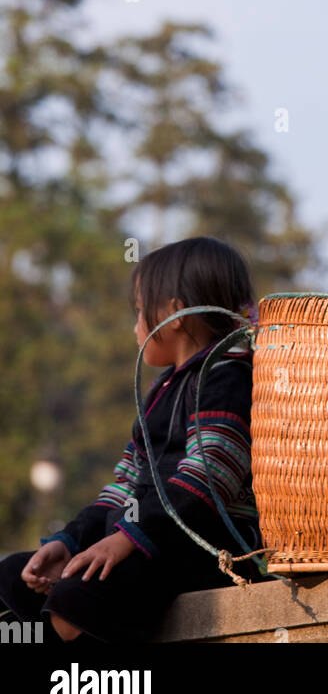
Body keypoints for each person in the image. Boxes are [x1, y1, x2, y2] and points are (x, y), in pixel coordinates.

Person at [0, 236, 263, 644]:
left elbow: (211, 473)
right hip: (139, 541)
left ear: (174, 314)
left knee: (79, 596)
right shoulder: (161, 391)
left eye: (141, 310)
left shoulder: (226, 376)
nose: (135, 324)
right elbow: (124, 484)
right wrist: (70, 541)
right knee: (14, 576)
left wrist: (129, 538)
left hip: (201, 550)